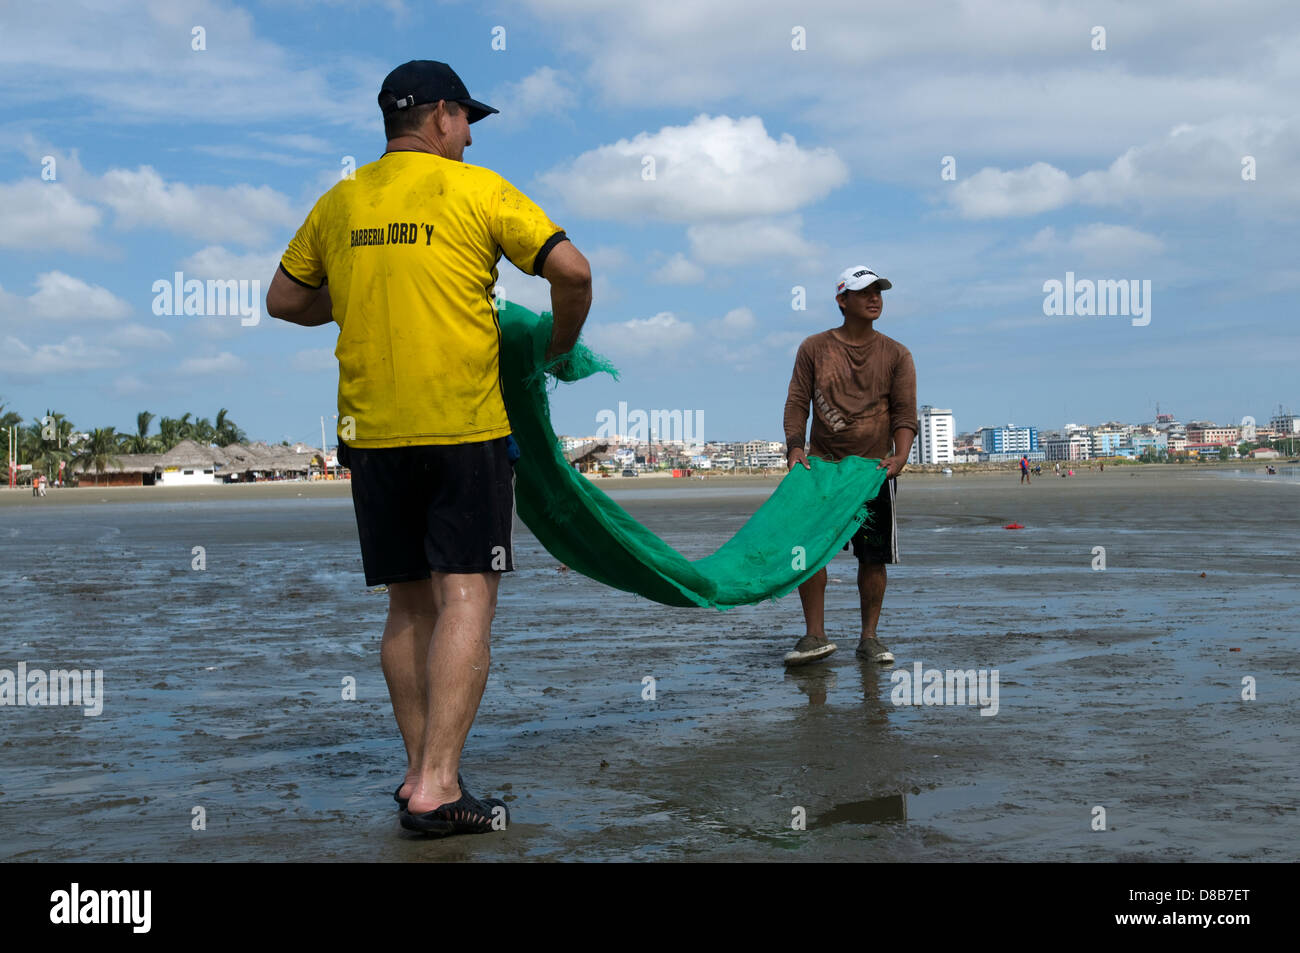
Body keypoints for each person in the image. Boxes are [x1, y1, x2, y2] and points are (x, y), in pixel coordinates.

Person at [266, 60, 592, 837]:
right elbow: (572, 271)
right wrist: (557, 347)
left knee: (409, 602)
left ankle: (420, 771)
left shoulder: (341, 201)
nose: (471, 137)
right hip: (461, 426)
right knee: (467, 594)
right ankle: (439, 786)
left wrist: (355, 287)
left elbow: (283, 299)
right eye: (466, 120)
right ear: (441, 115)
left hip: (371, 434)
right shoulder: (476, 190)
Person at [782, 266, 917, 666]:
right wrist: (794, 449)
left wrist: (901, 456)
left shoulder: (897, 353)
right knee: (808, 553)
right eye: (864, 292)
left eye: (879, 292)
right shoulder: (814, 348)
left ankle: (869, 637)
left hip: (874, 470)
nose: (875, 298)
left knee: (873, 558)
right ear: (842, 300)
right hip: (821, 468)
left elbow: (904, 413)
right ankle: (814, 636)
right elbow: (797, 403)